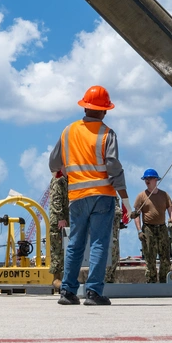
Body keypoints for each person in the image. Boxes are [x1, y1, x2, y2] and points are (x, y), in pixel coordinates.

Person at [48, 85, 132, 306]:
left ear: (85, 107)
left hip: (76, 197)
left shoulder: (68, 131)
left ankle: (67, 291)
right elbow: (113, 166)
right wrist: (125, 200)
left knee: (75, 243)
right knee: (98, 243)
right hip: (102, 196)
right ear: (105, 110)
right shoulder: (107, 134)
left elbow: (54, 164)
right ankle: (93, 292)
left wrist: (65, 171)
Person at [132, 168, 172, 283]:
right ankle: (151, 281)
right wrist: (139, 231)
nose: (147, 180)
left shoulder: (164, 195)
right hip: (148, 228)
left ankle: (164, 281)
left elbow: (170, 210)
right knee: (150, 257)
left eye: (150, 178)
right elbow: (136, 214)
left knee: (165, 257)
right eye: (146, 178)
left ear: (156, 180)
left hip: (162, 228)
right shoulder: (141, 196)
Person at [47, 170, 68, 291]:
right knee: (58, 251)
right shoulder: (59, 180)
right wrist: (60, 218)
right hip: (59, 222)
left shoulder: (67, 179)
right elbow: (56, 200)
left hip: (66, 219)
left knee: (66, 251)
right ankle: (57, 281)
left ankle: (63, 282)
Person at [104, 196, 129, 284]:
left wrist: (120, 223)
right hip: (107, 235)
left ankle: (111, 280)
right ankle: (105, 280)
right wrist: (119, 213)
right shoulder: (105, 196)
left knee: (115, 257)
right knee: (109, 258)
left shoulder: (115, 197)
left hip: (115, 234)